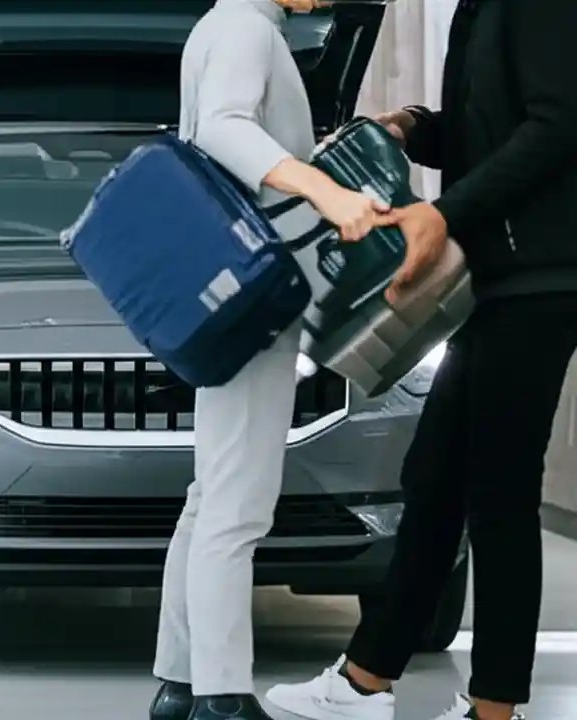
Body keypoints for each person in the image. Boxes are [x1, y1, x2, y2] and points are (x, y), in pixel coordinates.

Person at [265, 2, 577, 720]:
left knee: (499, 495)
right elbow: (487, 129)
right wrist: (411, 127)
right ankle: (365, 681)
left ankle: (494, 707)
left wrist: (445, 213)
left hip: (536, 277)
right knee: (435, 480)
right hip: (496, 275)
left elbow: (559, 124)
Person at [150, 1, 391, 719]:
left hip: (231, 291)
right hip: (253, 297)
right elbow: (224, 127)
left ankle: (181, 682)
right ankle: (222, 697)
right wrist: (325, 189)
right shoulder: (246, 29)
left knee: (211, 496)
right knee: (238, 504)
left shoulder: (226, 25)